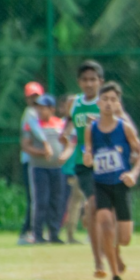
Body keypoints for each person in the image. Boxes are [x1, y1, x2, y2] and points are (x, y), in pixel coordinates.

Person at [83, 83, 140, 280]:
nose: (109, 103)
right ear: (98, 103)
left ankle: (116, 251)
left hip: (120, 184)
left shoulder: (124, 127)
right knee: (105, 224)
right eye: (105, 99)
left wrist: (133, 173)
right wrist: (87, 157)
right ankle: (115, 276)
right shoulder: (91, 129)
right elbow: (88, 151)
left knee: (124, 238)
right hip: (101, 184)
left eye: (113, 100)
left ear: (118, 103)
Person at [64, 61, 106, 277]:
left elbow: (118, 125)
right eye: (85, 80)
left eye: (93, 80)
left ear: (100, 82)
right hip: (84, 163)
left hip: (107, 162)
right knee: (93, 203)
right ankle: (99, 262)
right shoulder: (74, 103)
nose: (89, 84)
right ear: (79, 82)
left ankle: (95, 225)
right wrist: (66, 142)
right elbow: (69, 128)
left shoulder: (107, 102)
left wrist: (99, 121)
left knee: (105, 211)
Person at [22, 94, 71, 244]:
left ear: (51, 109)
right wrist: (42, 153)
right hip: (39, 168)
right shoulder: (31, 124)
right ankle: (37, 234)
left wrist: (64, 155)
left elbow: (68, 142)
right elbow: (26, 146)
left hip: (58, 168)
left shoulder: (59, 124)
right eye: (38, 107)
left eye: (43, 108)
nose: (39, 110)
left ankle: (54, 234)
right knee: (40, 201)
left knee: (56, 200)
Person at [18, 81, 45, 245]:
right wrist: (47, 145)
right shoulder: (30, 113)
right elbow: (37, 132)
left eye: (37, 96)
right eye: (31, 96)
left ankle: (33, 231)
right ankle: (27, 232)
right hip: (30, 161)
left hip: (39, 161)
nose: (34, 100)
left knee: (38, 198)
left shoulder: (40, 113)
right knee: (34, 198)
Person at [58, 94, 83, 245]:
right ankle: (67, 234)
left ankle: (72, 233)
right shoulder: (66, 124)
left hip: (82, 165)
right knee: (73, 201)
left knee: (78, 201)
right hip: (70, 168)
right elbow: (67, 143)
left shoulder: (81, 122)